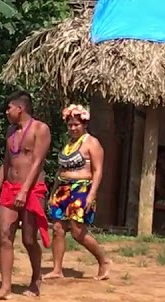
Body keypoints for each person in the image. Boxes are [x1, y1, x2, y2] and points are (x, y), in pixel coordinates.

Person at [0, 90, 51, 300]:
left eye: (9, 108)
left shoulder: (40, 129)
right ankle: (5, 287)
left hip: (32, 189)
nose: (6, 112)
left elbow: (38, 161)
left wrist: (24, 189)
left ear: (20, 108)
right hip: (9, 188)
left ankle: (36, 277)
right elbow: (6, 163)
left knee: (29, 239)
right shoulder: (10, 131)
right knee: (4, 236)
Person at [45, 104, 111, 281]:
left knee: (77, 231)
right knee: (58, 229)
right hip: (62, 189)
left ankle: (103, 261)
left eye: (76, 124)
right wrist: (52, 193)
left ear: (84, 124)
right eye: (70, 125)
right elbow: (60, 171)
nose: (73, 128)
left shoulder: (92, 143)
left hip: (82, 188)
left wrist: (92, 194)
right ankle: (57, 269)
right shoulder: (68, 145)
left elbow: (98, 171)